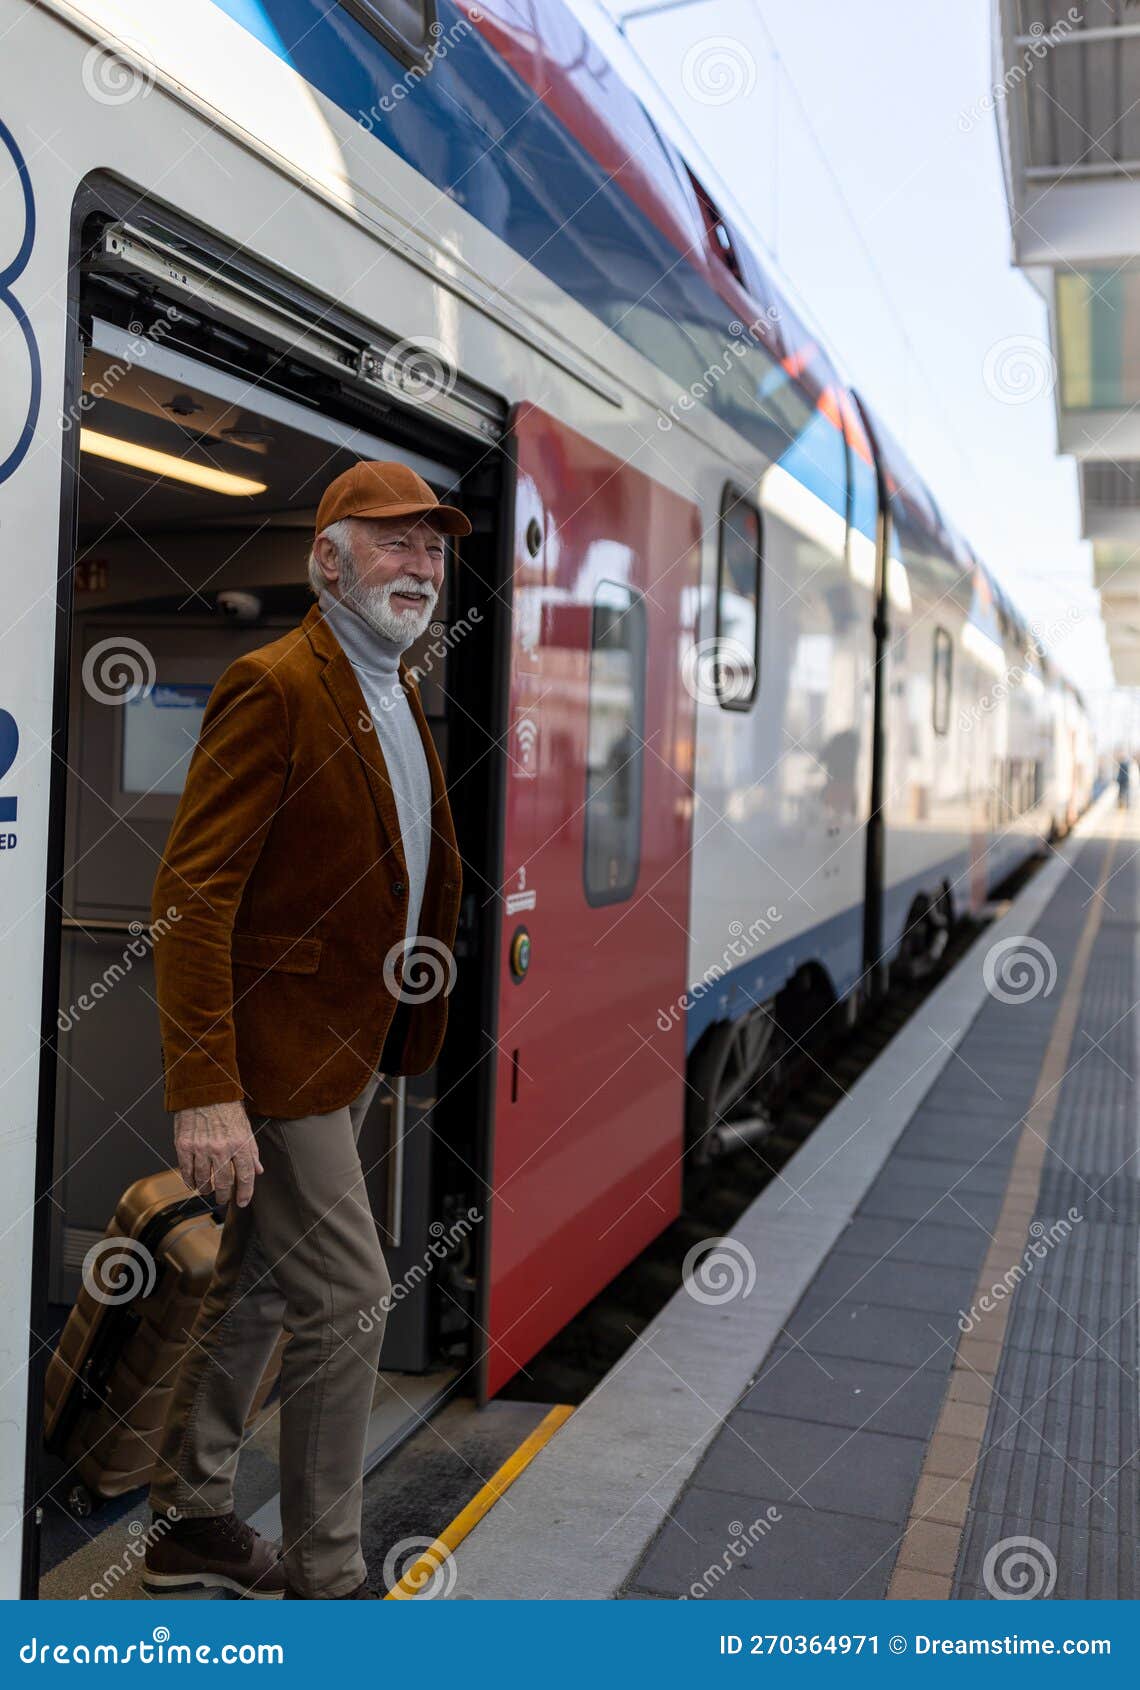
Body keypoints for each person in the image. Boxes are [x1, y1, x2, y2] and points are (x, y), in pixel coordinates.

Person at [142, 461, 468, 1599]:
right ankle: (330, 1578)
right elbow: (192, 896)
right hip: (277, 1059)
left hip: (352, 1044)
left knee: (264, 1285)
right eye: (394, 542)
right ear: (328, 559)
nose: (421, 565)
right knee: (349, 1293)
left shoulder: (394, 686)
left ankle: (188, 1517)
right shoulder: (275, 683)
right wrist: (206, 1086)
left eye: (434, 548)